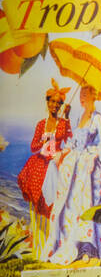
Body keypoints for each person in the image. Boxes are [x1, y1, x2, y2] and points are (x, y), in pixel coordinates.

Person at [42, 86, 101, 266]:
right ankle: (71, 244)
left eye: (86, 95)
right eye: (81, 95)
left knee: (87, 196)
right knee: (67, 201)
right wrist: (63, 152)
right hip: (76, 160)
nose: (82, 98)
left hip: (90, 161)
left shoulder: (97, 117)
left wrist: (93, 157)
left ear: (93, 96)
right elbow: (74, 142)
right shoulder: (79, 117)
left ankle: (88, 248)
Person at [18, 79, 71, 250]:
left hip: (55, 166)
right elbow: (33, 147)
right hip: (39, 166)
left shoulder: (62, 123)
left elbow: (68, 139)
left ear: (61, 105)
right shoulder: (41, 124)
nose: (55, 105)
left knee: (56, 204)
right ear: (47, 102)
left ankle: (54, 245)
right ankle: (39, 245)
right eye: (52, 101)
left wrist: (68, 117)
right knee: (38, 203)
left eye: (59, 103)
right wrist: (43, 140)